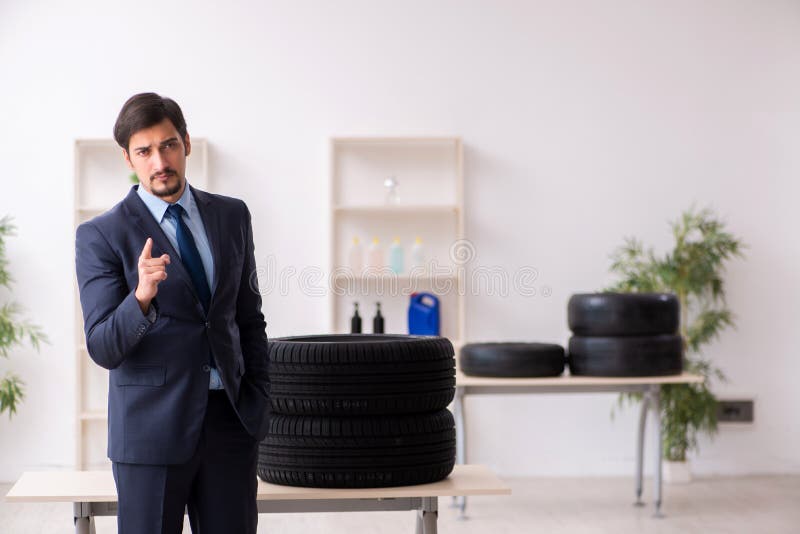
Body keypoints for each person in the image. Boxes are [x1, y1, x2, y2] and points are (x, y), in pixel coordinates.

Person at [75, 93, 270, 534]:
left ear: (186, 143)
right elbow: (103, 345)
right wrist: (141, 296)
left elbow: (249, 317)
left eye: (168, 145)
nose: (159, 161)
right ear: (128, 157)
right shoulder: (101, 235)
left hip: (230, 427)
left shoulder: (232, 216)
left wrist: (258, 401)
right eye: (144, 151)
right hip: (150, 433)